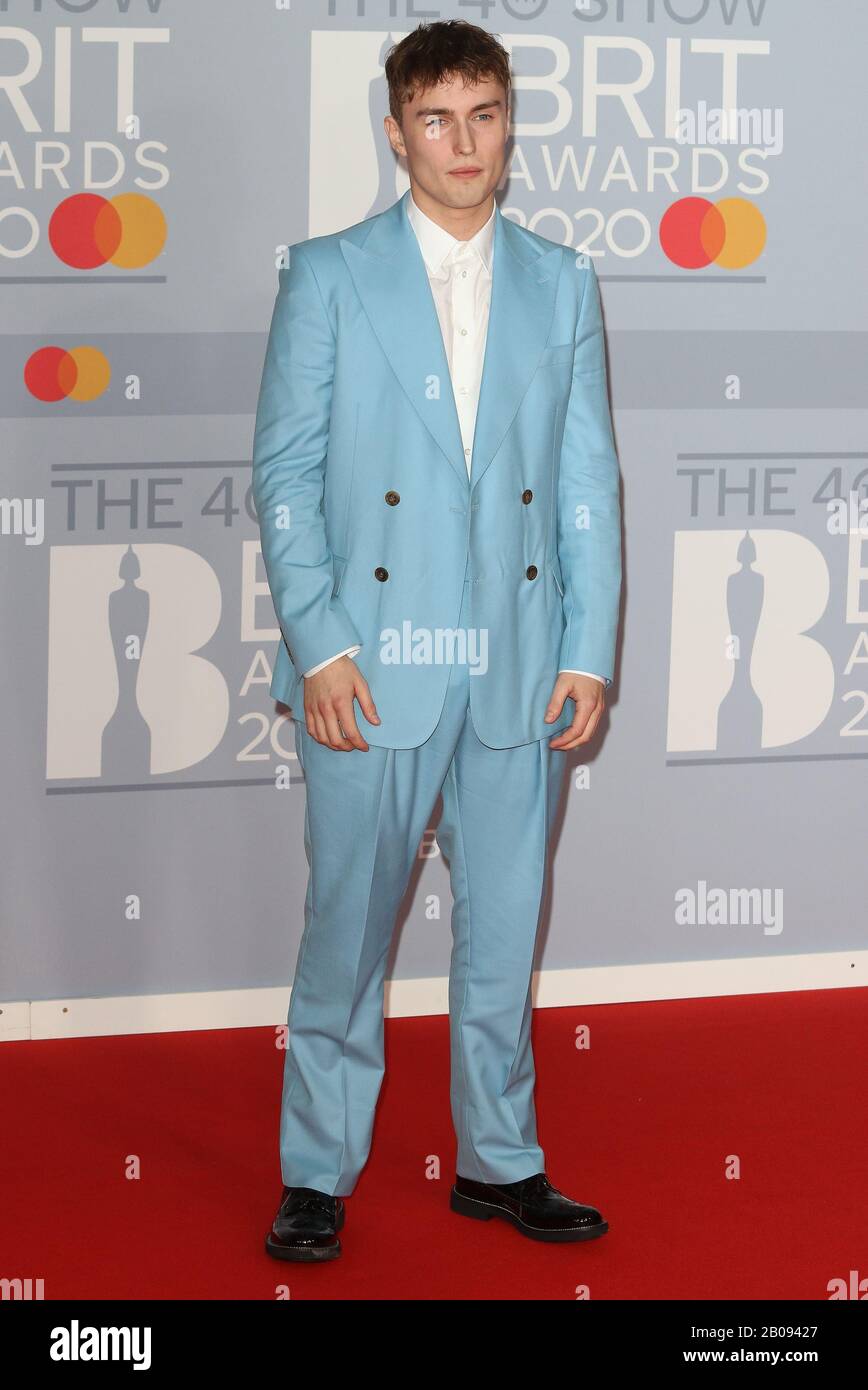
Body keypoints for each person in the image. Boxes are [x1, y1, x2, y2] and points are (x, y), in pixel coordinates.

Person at [252, 19, 622, 1262]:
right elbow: (287, 479)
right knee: (346, 927)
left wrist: (586, 649)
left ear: (509, 123)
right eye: (435, 118)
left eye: (485, 114)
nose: (462, 143)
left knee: (503, 927)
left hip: (518, 665)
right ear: (395, 128)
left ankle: (499, 1161)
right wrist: (319, 644)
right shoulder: (326, 275)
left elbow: (588, 485)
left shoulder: (562, 282)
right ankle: (317, 1169)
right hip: (372, 663)